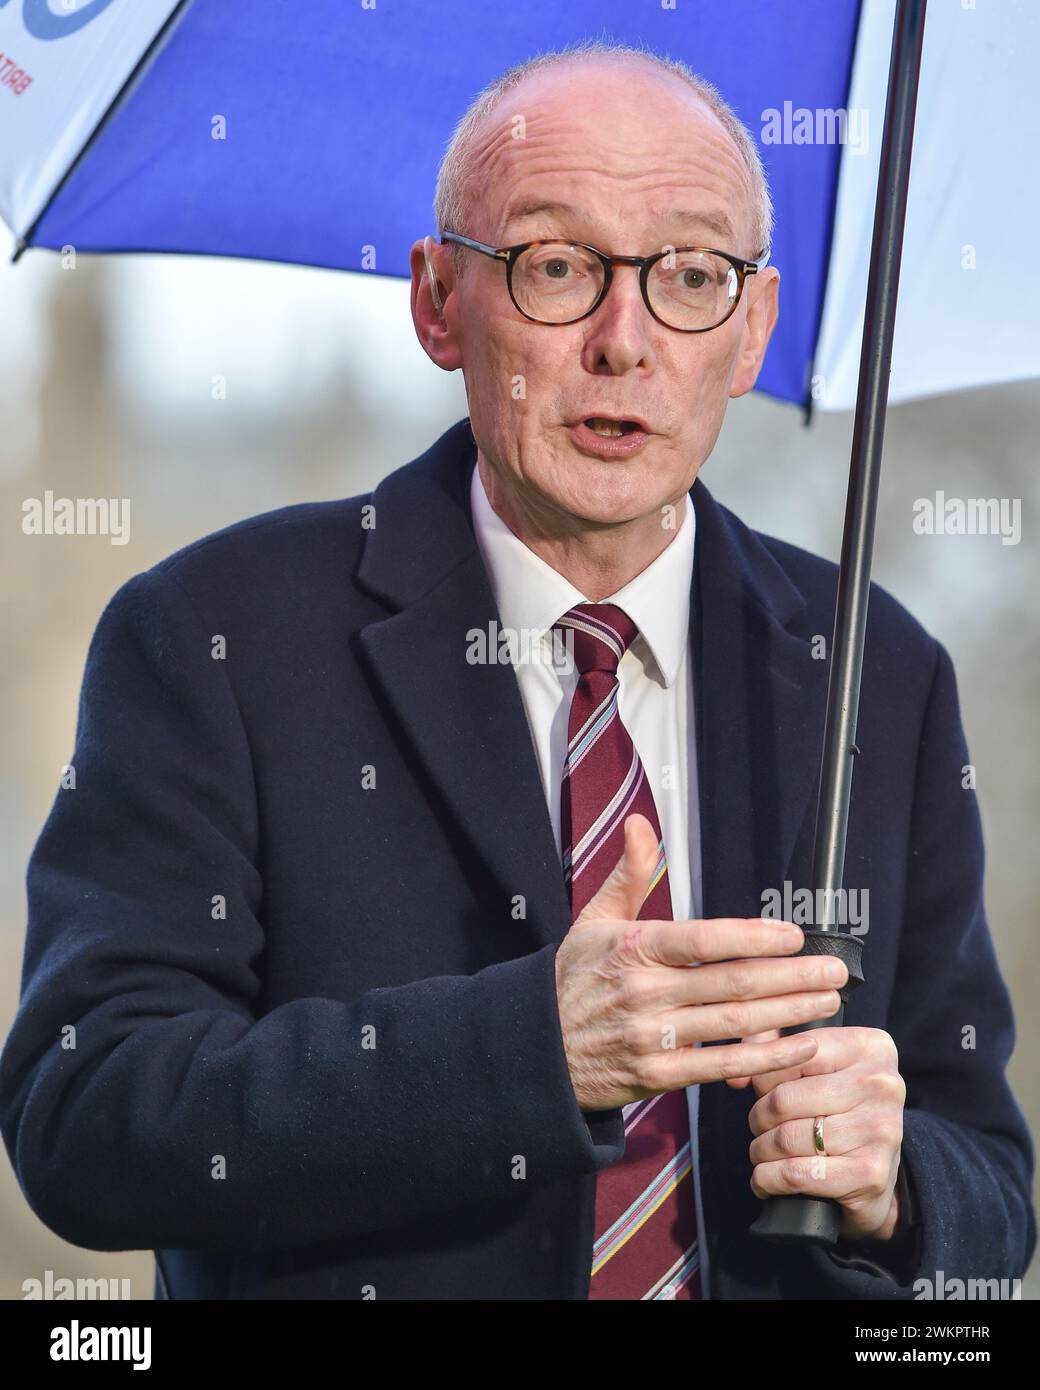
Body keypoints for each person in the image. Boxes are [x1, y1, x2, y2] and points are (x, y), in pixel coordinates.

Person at [0, 40, 1033, 1301]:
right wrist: (529, 1051)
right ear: (438, 301)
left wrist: (898, 1181)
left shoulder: (877, 671)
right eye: (556, 266)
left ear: (751, 328)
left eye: (690, 276)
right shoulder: (212, 635)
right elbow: (87, 1113)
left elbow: (989, 1180)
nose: (623, 338)